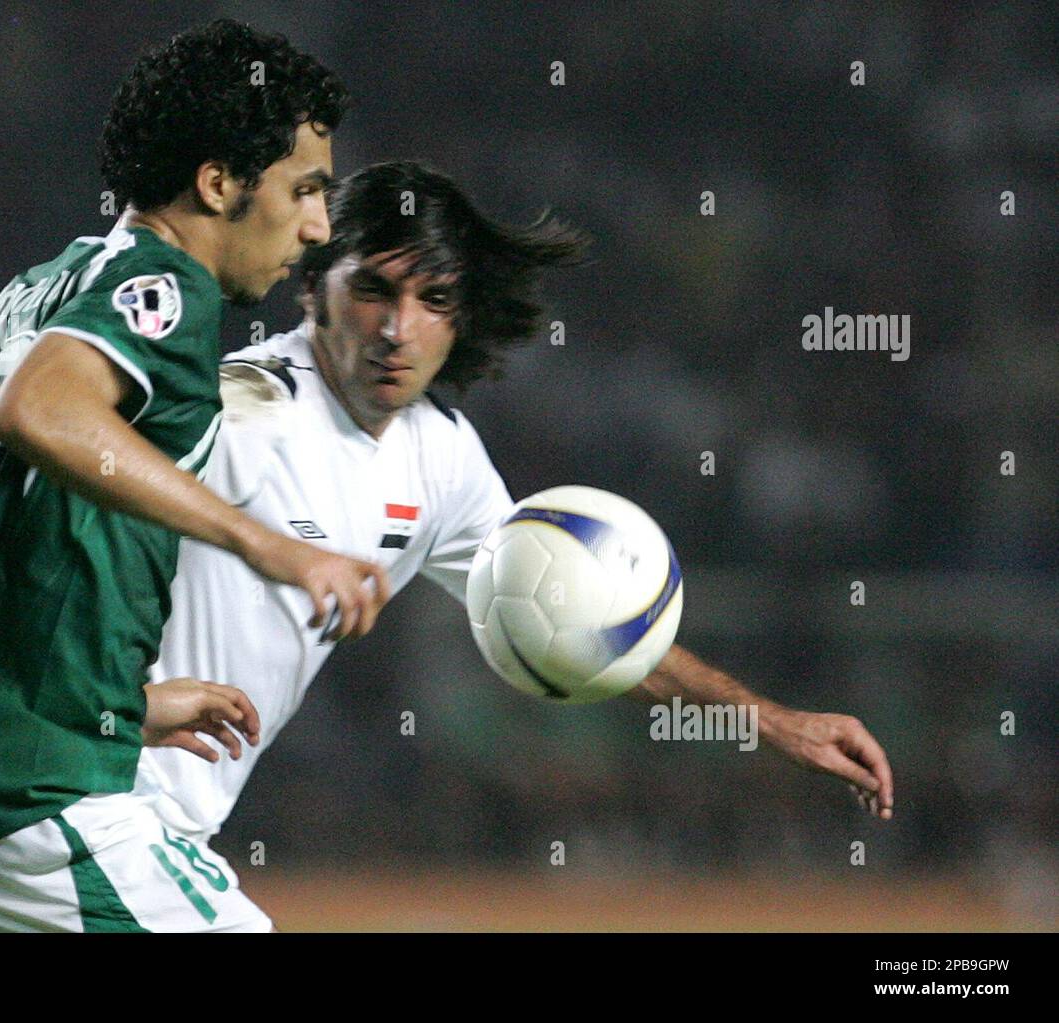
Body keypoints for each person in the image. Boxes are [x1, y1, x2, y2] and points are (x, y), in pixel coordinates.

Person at [135, 161, 896, 931]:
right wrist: (118, 712)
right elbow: (32, 529)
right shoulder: (241, 413)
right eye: (372, 290)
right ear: (312, 287)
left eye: (433, 299)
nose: (399, 329)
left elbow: (583, 627)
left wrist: (772, 720)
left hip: (153, 827)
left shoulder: (441, 454)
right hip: (94, 805)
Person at [0, 20, 387, 933]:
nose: (318, 227)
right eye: (304, 190)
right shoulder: (166, 292)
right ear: (219, 183)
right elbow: (36, 413)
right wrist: (277, 551)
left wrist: (114, 706)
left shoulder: (39, 288)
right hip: (25, 806)